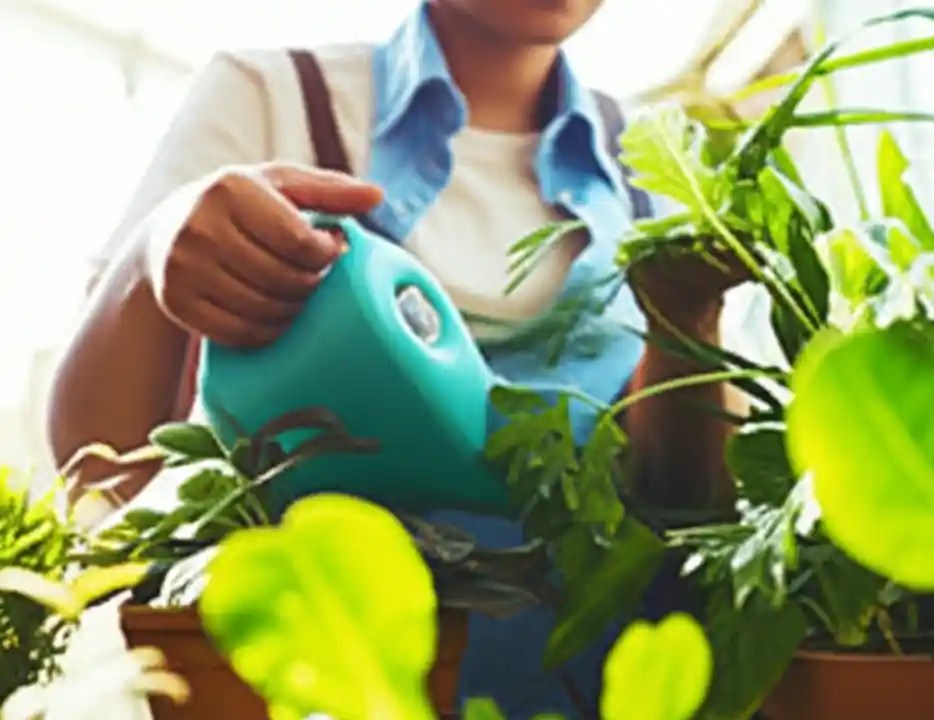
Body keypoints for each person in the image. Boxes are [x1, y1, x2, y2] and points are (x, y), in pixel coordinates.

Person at [47, 0, 742, 716]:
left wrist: (687, 314)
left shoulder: (653, 167)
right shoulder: (275, 99)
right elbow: (100, 467)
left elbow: (688, 512)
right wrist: (152, 254)